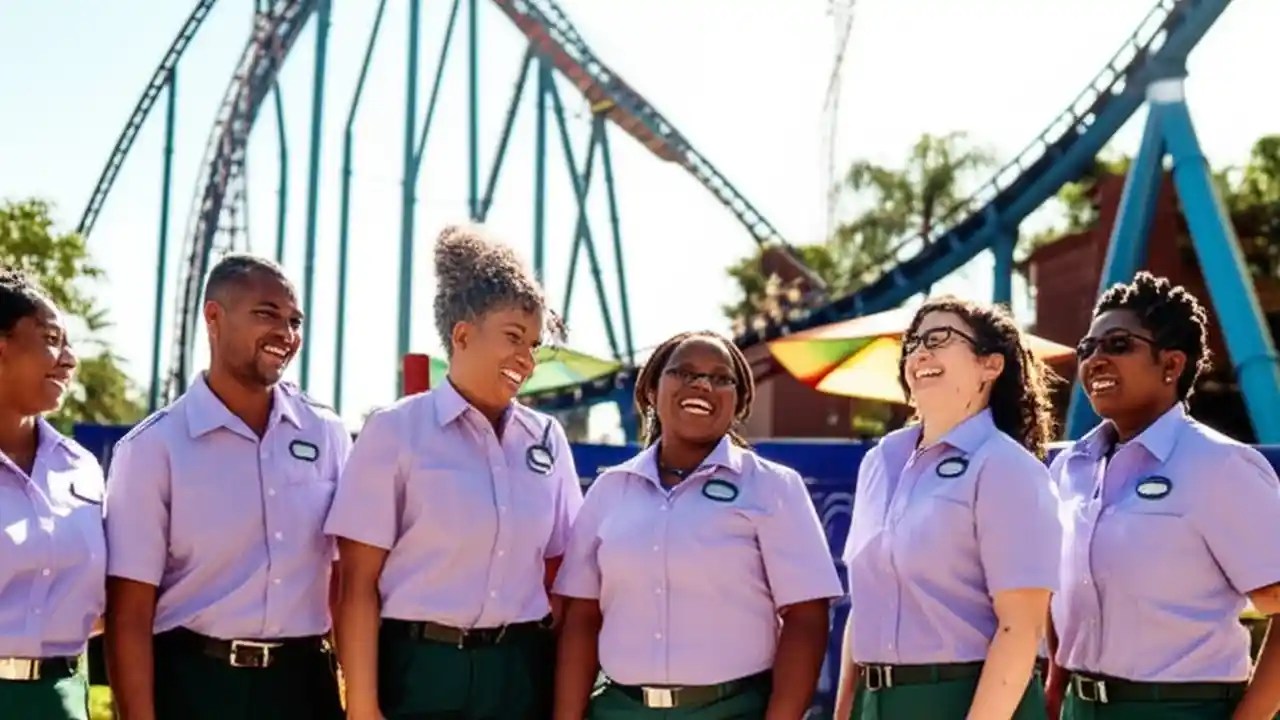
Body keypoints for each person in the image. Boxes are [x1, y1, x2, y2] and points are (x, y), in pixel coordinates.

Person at [325, 224, 583, 720]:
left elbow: (563, 574)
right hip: (419, 671)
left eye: (532, 344)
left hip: (518, 674)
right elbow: (356, 584)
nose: (526, 360)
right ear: (462, 335)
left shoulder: (547, 438)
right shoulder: (394, 430)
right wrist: (361, 704)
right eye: (513, 337)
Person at [102, 254, 348, 720]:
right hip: (196, 686)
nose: (286, 333)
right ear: (213, 317)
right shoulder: (154, 448)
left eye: (294, 320)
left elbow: (343, 579)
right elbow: (129, 612)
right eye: (266, 314)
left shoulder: (327, 433)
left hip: (304, 686)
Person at [554, 329, 843, 719]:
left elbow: (806, 618)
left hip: (733, 709)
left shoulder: (773, 487)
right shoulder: (609, 489)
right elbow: (582, 618)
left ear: (739, 402)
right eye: (684, 373)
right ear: (652, 391)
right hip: (619, 710)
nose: (703, 384)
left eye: (722, 378)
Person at [1046, 271, 1280, 720]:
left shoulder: (1219, 467)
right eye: (1087, 348)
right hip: (1079, 707)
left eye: (1117, 344)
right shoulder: (1068, 469)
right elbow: (1060, 598)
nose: (1095, 360)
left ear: (1171, 365)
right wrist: (1056, 693)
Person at [834, 297, 1062, 720]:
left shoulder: (1007, 467)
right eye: (913, 342)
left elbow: (1020, 629)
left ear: (990, 365)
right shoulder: (878, 463)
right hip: (876, 702)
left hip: (971, 701)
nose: (920, 352)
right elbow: (865, 608)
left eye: (939, 339)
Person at [0, 269, 102, 720]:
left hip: (60, 702)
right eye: (52, 338)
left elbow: (106, 601)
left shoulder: (82, 468)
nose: (70, 359)